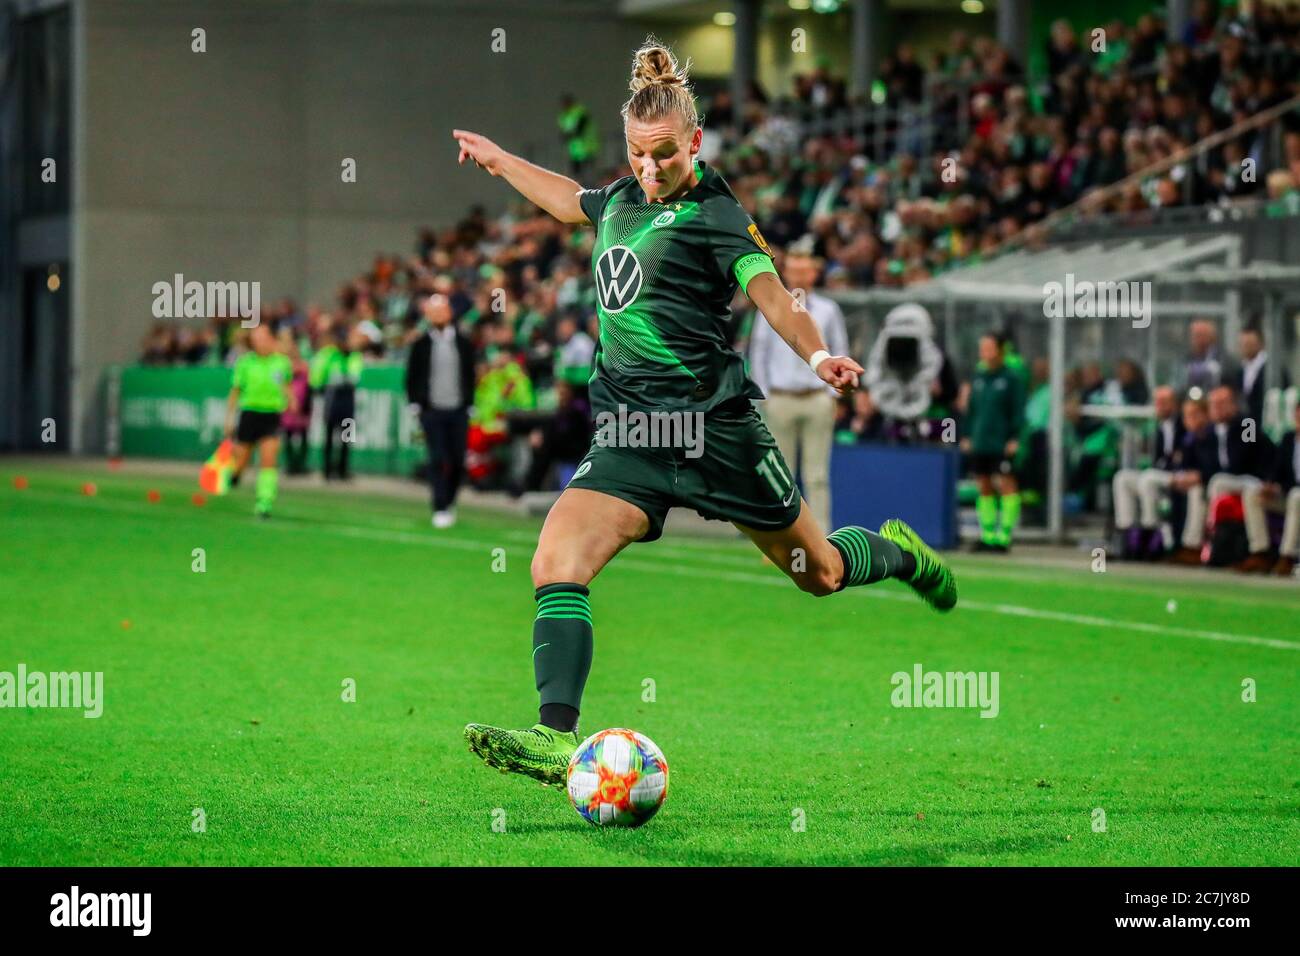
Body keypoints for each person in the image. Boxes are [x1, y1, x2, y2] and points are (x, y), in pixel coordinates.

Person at [451, 37, 956, 785]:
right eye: (636, 155)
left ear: (695, 142)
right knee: (556, 560)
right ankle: (557, 737)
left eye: (664, 156)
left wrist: (818, 358)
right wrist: (498, 159)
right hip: (631, 431)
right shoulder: (621, 200)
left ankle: (899, 553)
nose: (649, 171)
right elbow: (566, 198)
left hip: (714, 432)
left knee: (817, 573)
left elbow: (776, 299)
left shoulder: (718, 212)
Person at [747, 251, 848, 531]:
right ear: (786, 273)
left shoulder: (828, 310)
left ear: (814, 274)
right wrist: (765, 395)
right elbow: (759, 353)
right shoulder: (770, 307)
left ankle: (823, 540)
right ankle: (783, 538)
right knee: (781, 474)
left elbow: (840, 349)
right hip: (781, 398)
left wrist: (833, 396)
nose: (800, 276)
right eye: (794, 270)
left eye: (805, 270)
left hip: (816, 397)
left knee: (817, 475)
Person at [404, 293, 475, 528]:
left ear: (450, 312)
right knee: (437, 458)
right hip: (432, 410)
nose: (438, 315)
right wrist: (416, 403)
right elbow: (412, 376)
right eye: (433, 311)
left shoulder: (464, 343)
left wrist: (469, 403)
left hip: (458, 410)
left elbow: (470, 374)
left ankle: (450, 500)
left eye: (441, 310)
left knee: (457, 460)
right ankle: (440, 506)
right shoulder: (421, 344)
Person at [223, 324, 296, 518]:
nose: (260, 343)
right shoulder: (245, 363)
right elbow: (235, 391)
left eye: (263, 338)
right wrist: (229, 419)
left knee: (269, 458)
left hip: (271, 415)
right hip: (249, 413)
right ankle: (235, 474)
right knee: (242, 459)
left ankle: (264, 502)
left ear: (271, 340)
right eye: (257, 340)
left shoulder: (281, 363)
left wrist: (292, 400)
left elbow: (286, 385)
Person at [962, 333, 1024, 552]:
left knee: (1007, 483)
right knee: (984, 485)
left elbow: (1018, 411)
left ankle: (1004, 536)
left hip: (1001, 442)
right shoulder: (978, 377)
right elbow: (970, 410)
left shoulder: (1011, 378)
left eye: (988, 347)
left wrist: (1014, 437)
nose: (984, 352)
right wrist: (967, 435)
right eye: (982, 348)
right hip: (981, 442)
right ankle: (987, 535)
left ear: (999, 350)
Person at [1111, 385, 1184, 559]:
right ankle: (1128, 536)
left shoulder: (1184, 424)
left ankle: (1151, 538)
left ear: (1175, 404)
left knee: (1148, 479)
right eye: (1157, 402)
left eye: (1164, 402)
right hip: (1159, 475)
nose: (1159, 406)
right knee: (1123, 478)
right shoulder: (1156, 428)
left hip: (1177, 475)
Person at [1262, 403, 1300, 577]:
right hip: (1288, 496)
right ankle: (1260, 552)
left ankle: (1287, 555)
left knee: (1295, 496)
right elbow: (1277, 469)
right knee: (1256, 496)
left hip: (1295, 496)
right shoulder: (1288, 438)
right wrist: (1270, 484)